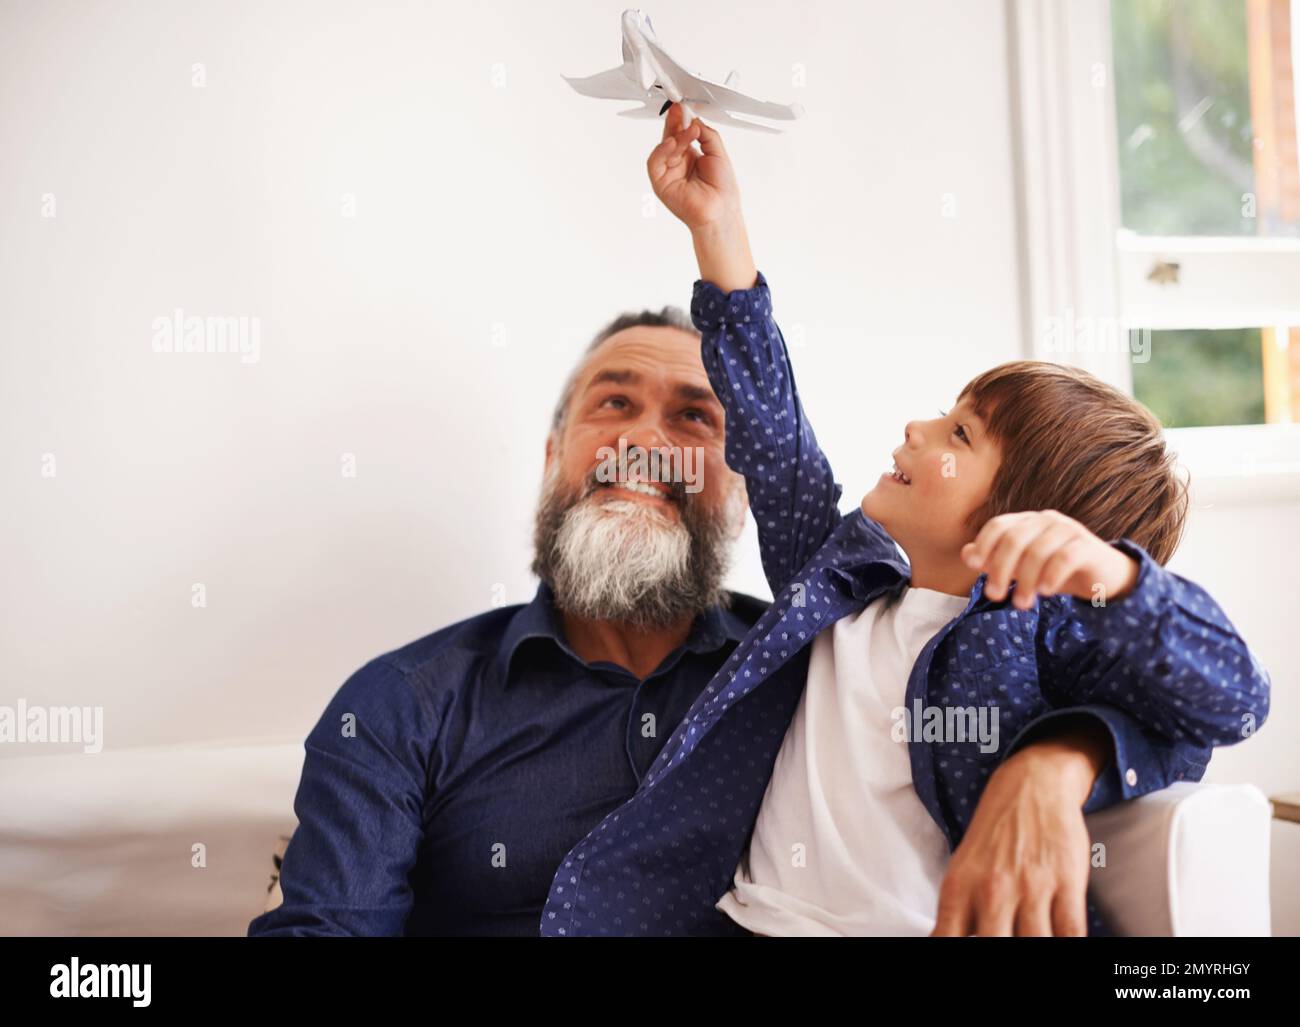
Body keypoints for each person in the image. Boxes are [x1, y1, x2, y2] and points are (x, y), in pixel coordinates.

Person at [537, 104, 1271, 937]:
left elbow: (1234, 698)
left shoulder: (1040, 632)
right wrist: (721, 228)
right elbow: (774, 430)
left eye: (959, 433)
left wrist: (1116, 577)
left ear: (1027, 516)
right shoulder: (836, 577)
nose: (918, 431)